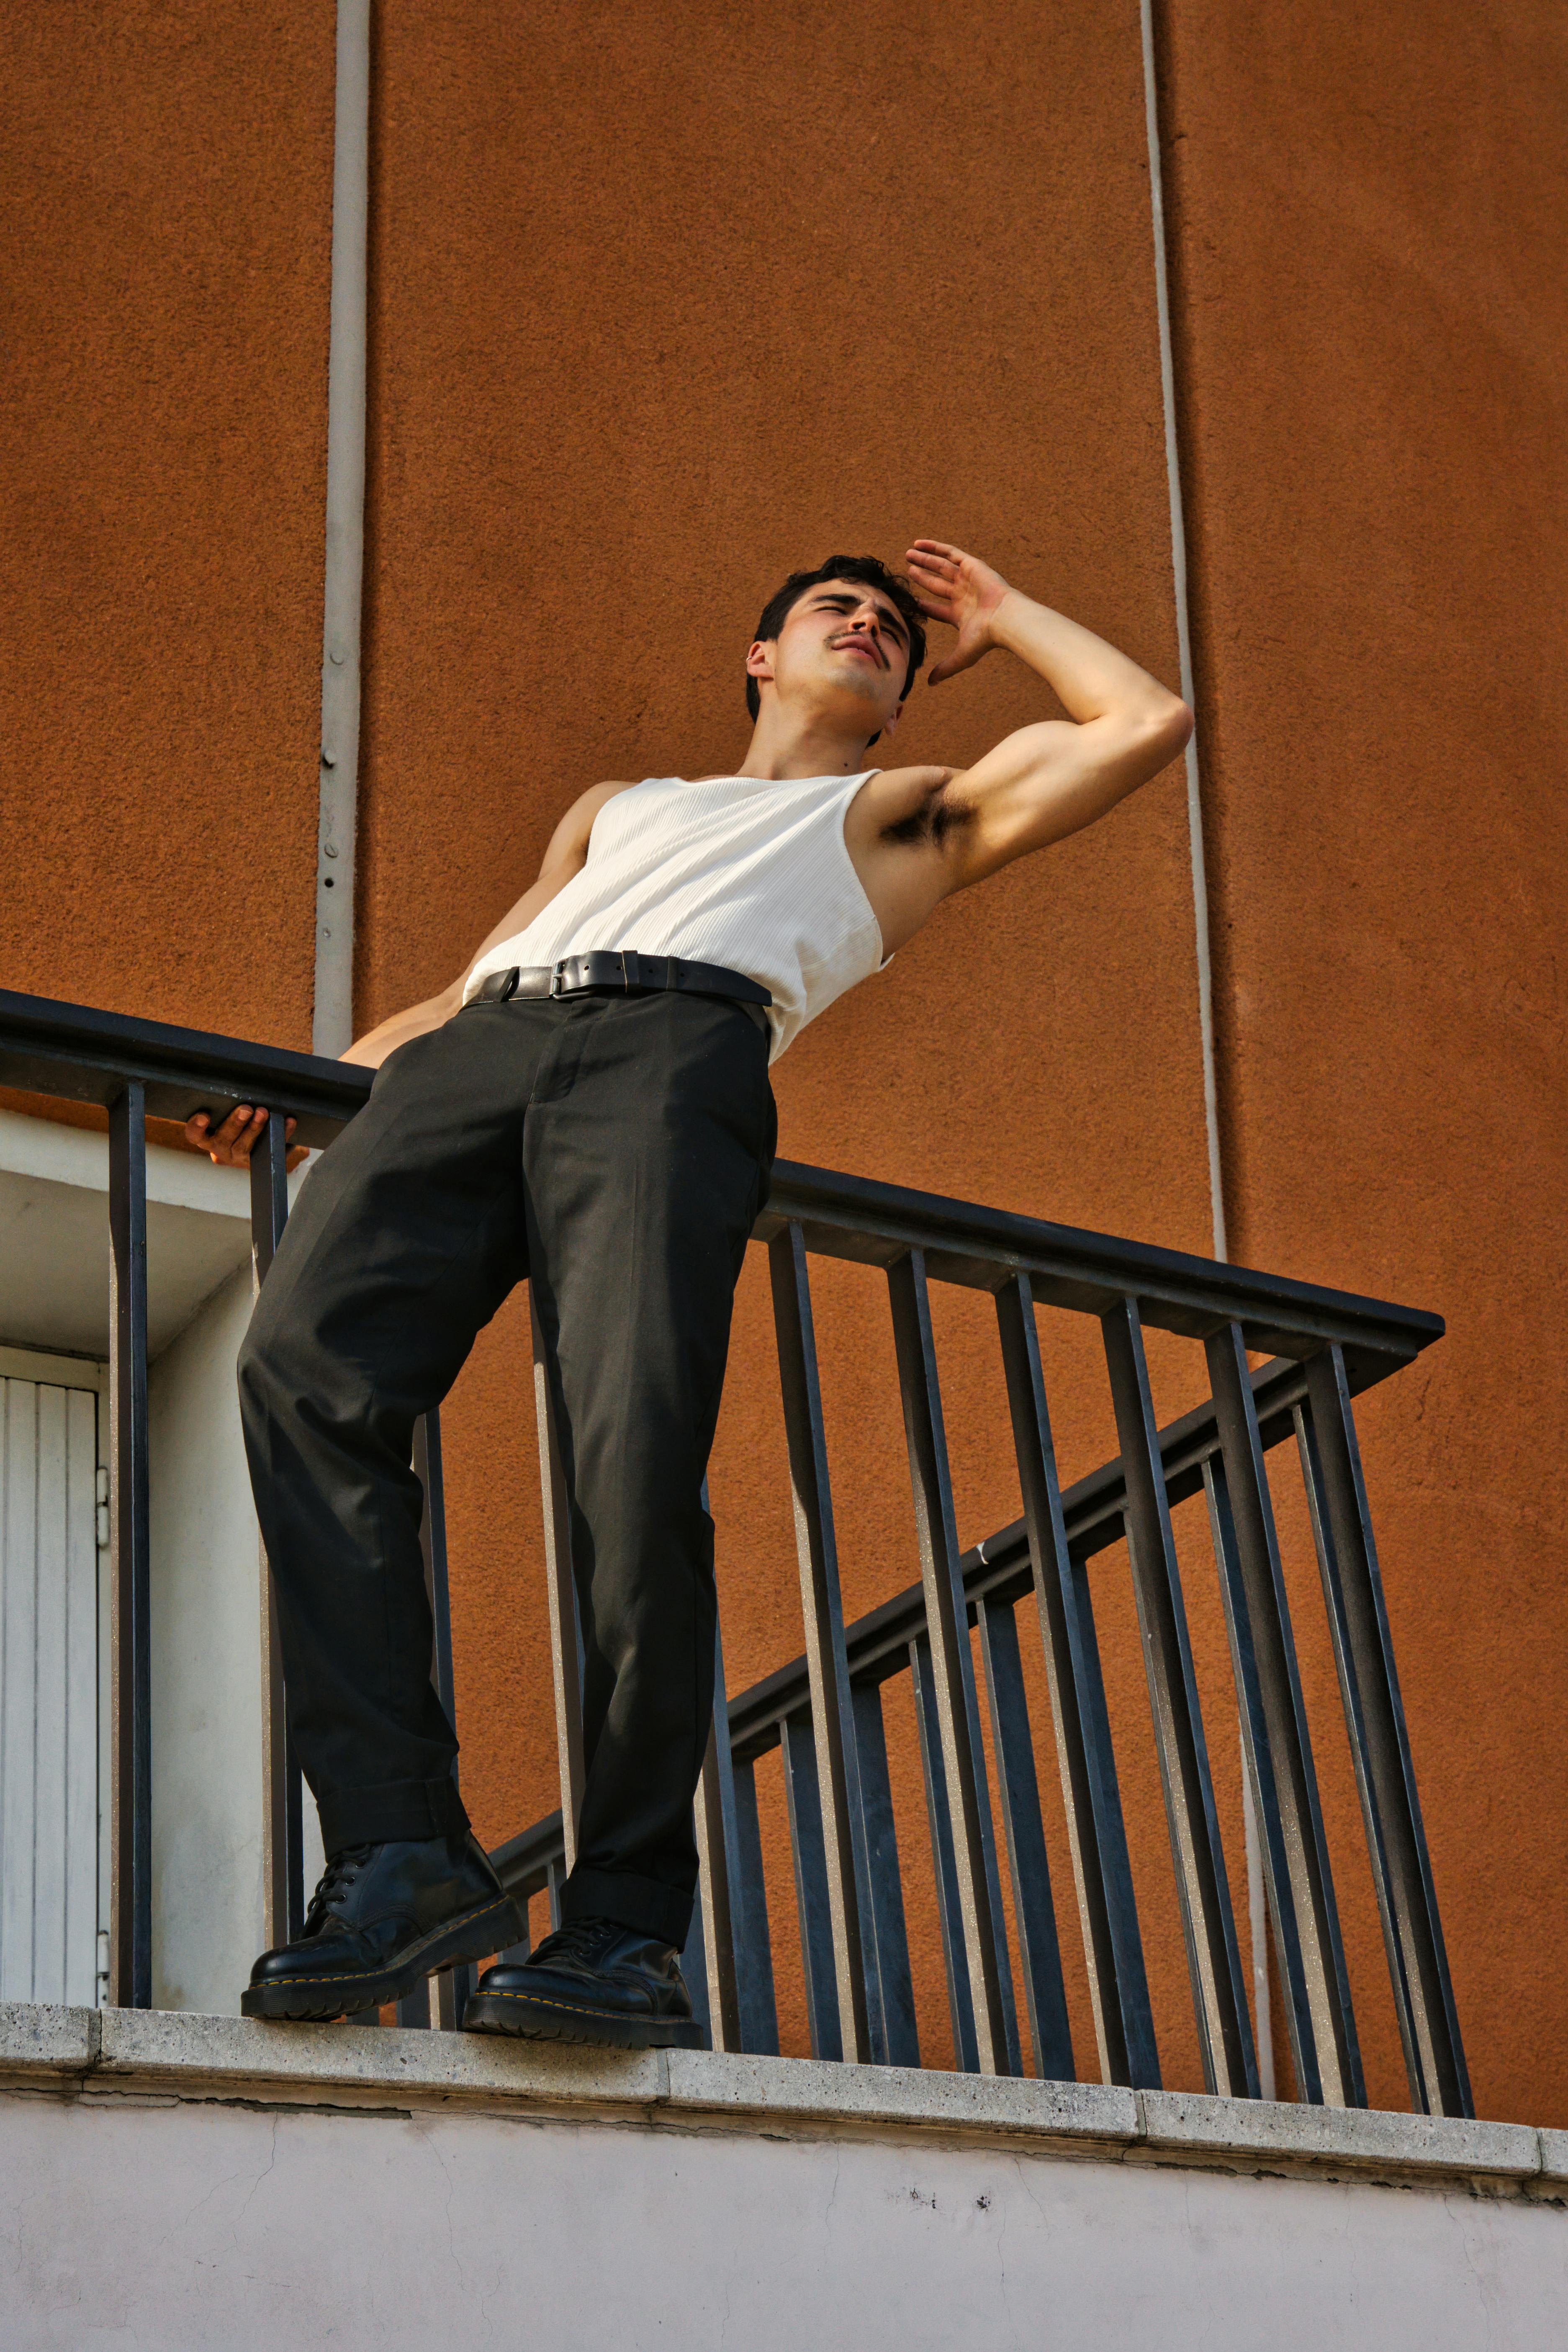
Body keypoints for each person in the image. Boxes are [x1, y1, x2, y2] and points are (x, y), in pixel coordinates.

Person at [188, 539, 1192, 2047]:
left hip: (675, 1058)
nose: (866, 625)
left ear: (902, 696)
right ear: (761, 657)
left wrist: (1002, 619)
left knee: (631, 1465)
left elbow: (1141, 724)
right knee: (298, 1370)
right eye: (828, 611)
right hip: (486, 1055)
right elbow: (472, 987)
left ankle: (623, 1927)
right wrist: (304, 1087)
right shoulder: (618, 808)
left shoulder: (894, 819)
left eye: (891, 630)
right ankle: (402, 1853)